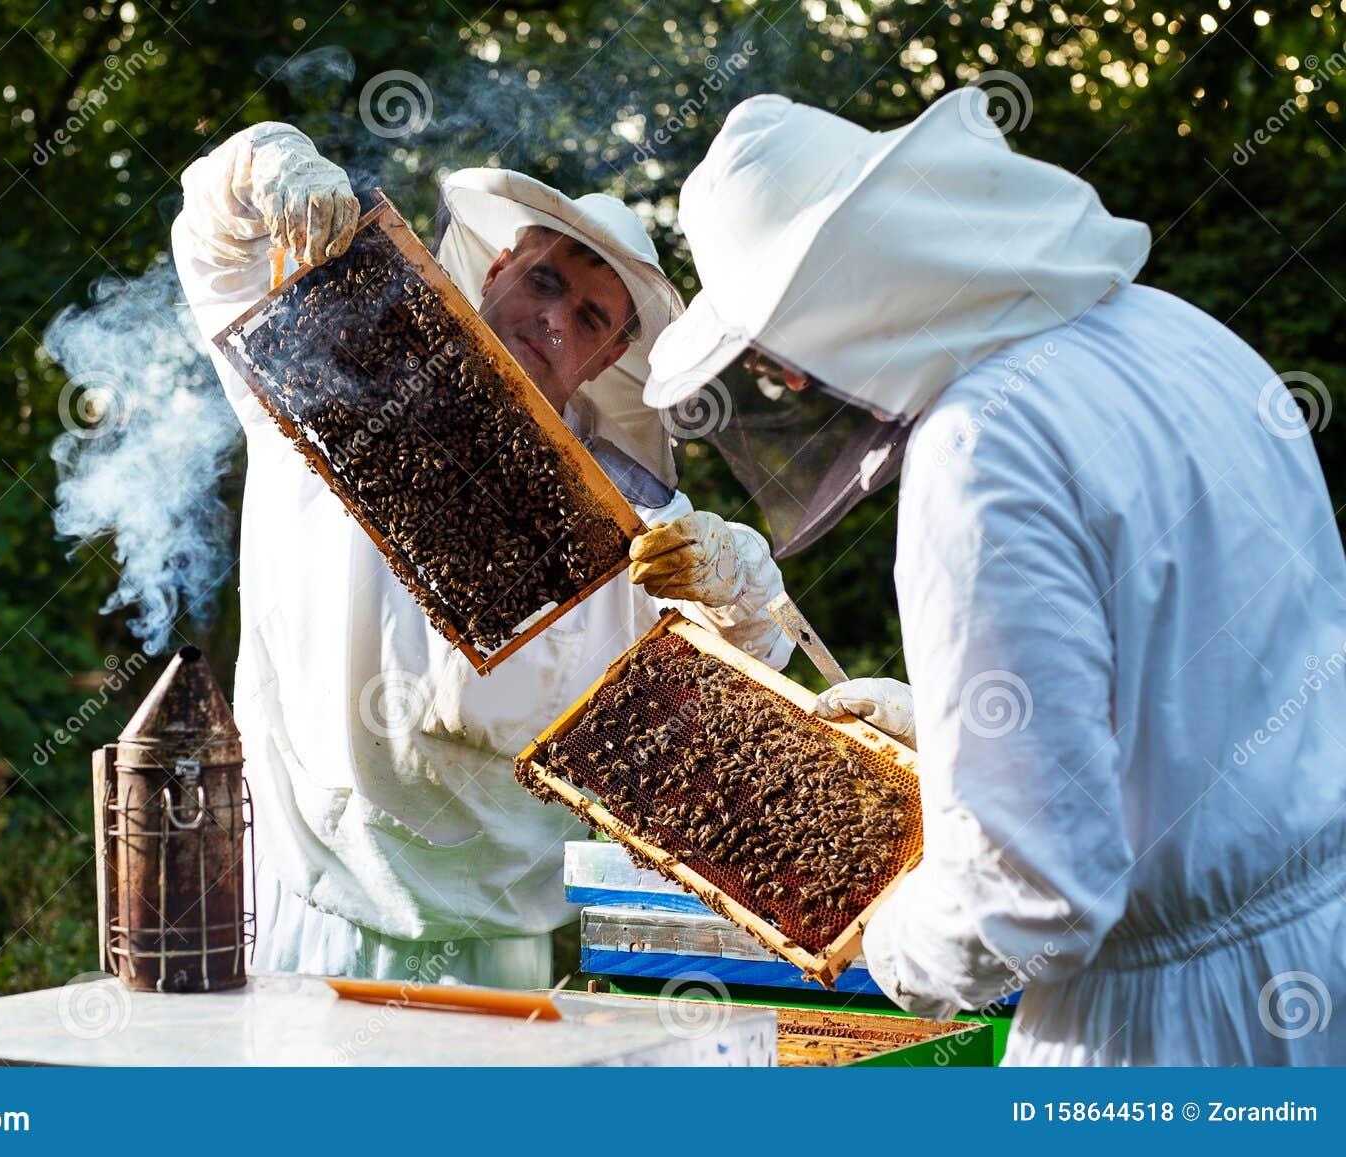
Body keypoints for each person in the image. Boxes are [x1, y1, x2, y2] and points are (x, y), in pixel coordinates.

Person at [632, 90, 1346, 1064]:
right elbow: (1194, 701)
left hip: (1162, 1032)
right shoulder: (1184, 336)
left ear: (839, 300)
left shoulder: (980, 447)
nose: (789, 382)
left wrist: (883, 934)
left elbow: (1034, 897)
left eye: (775, 354)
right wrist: (957, 740)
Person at [172, 122, 791, 990]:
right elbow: (215, 248)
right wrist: (265, 162)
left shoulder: (636, 521)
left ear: (611, 354)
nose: (554, 318)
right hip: (305, 912)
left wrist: (740, 582)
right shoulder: (346, 365)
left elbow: (741, 681)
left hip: (496, 948)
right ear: (498, 269)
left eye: (590, 316)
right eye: (545, 280)